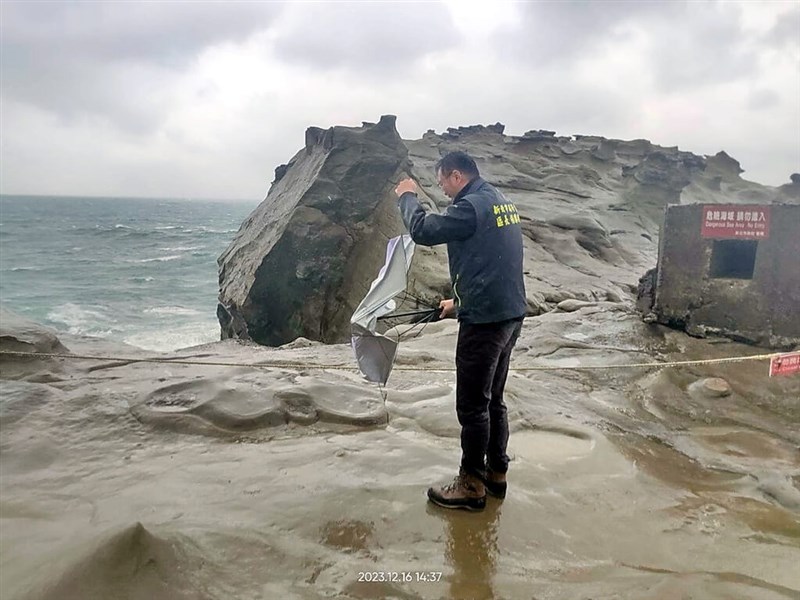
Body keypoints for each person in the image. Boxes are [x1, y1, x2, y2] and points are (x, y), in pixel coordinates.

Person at [394, 151, 526, 511]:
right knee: (493, 400)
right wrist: (458, 302)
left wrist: (408, 196)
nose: (444, 191)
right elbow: (491, 257)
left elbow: (423, 231)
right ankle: (496, 473)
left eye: (443, 183)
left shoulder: (470, 207)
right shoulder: (499, 201)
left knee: (472, 406)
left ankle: (470, 484)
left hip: (486, 322)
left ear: (456, 175)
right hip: (509, 313)